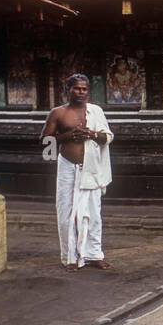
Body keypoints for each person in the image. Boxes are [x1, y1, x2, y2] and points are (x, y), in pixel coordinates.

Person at [41, 74, 113, 268]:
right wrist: (68, 136)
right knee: (66, 212)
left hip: (91, 168)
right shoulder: (58, 113)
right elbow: (45, 142)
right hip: (67, 167)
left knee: (94, 213)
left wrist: (91, 134)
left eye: (84, 89)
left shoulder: (96, 111)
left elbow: (107, 138)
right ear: (68, 90)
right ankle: (70, 257)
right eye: (77, 88)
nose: (81, 92)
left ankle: (94, 255)